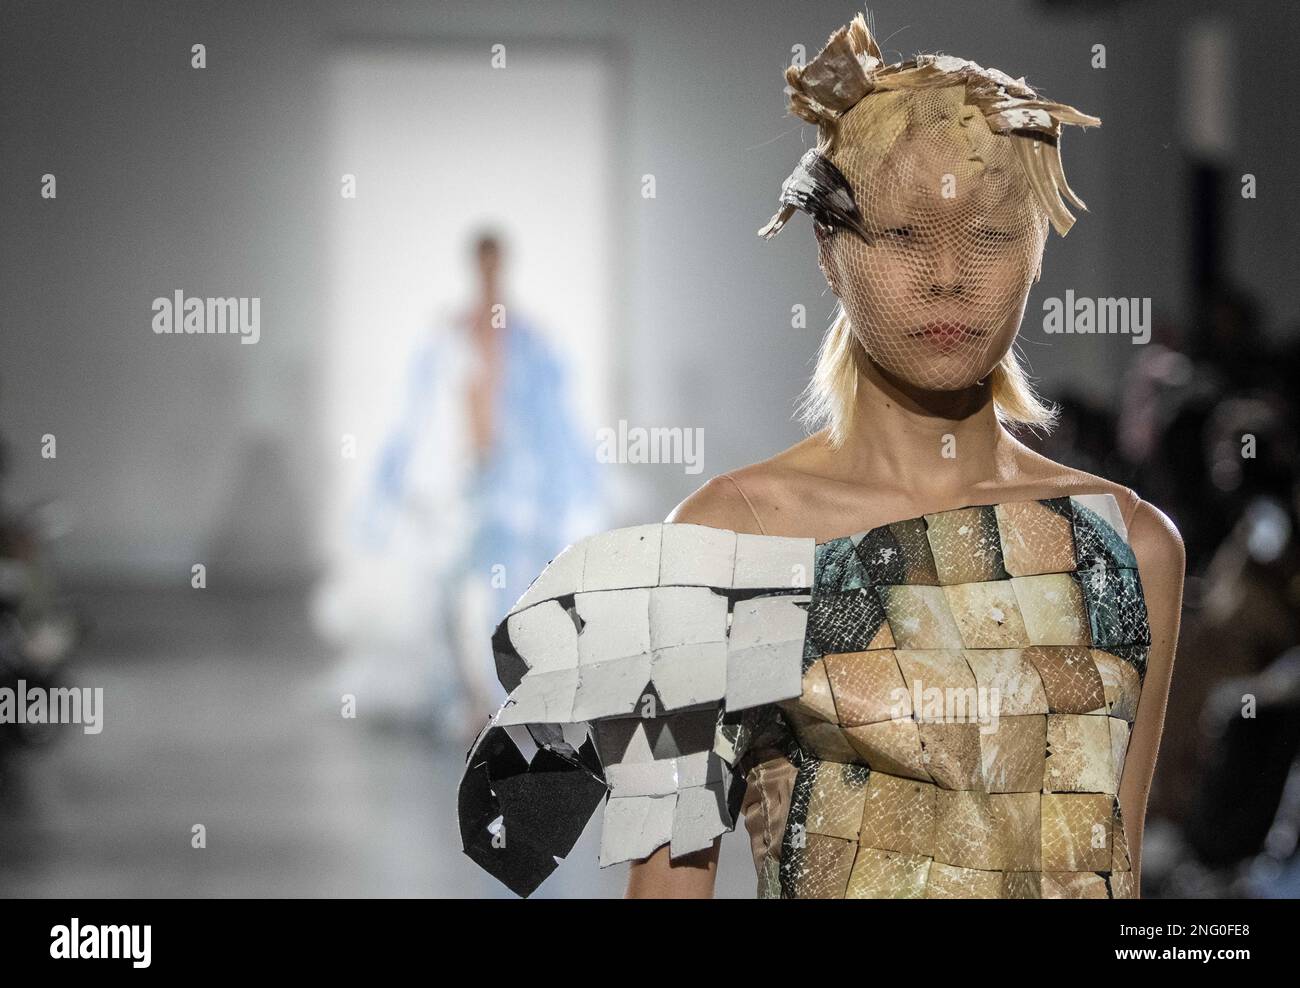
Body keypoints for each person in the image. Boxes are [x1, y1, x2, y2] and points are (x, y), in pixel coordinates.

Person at [457, 12, 1184, 899]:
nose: (950, 275)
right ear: (828, 250)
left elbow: (1122, 880)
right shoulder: (726, 546)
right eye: (905, 235)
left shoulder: (1132, 547)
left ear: (1035, 255)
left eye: (991, 237)